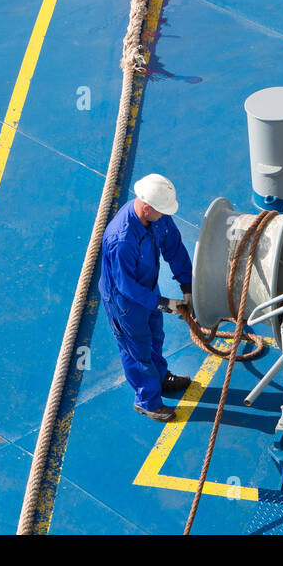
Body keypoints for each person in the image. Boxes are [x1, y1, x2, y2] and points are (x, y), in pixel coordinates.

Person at [98, 173, 194, 422]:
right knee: (136, 349)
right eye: (161, 212)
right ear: (147, 207)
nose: (165, 216)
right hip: (125, 303)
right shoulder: (120, 240)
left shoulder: (157, 217)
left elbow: (174, 248)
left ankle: (161, 378)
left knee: (155, 336)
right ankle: (147, 402)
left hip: (148, 290)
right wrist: (162, 303)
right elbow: (126, 286)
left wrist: (187, 286)